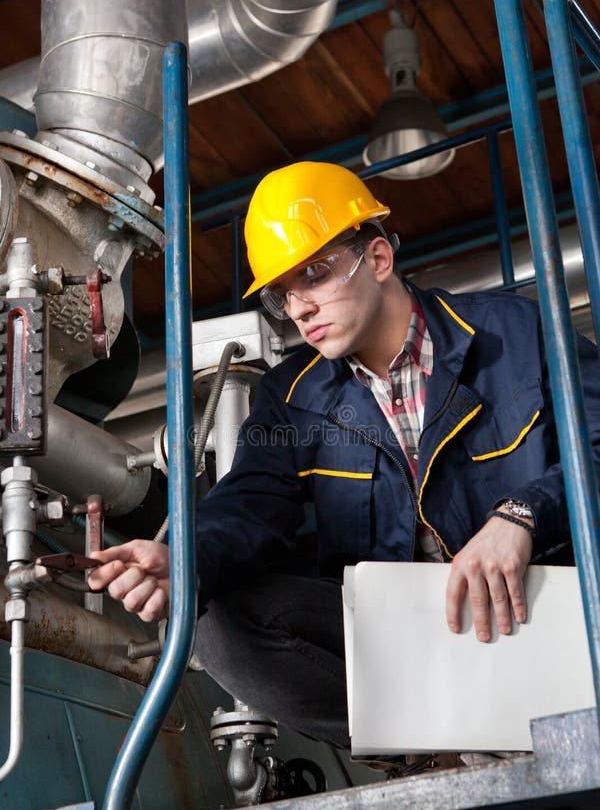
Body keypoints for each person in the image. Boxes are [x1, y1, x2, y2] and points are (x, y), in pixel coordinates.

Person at [90, 161, 600, 751]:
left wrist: (521, 517)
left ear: (378, 259)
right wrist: (184, 560)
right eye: (283, 295)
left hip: (542, 616)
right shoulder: (292, 397)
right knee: (217, 622)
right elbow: (248, 507)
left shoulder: (517, 334)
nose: (300, 307)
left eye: (315, 274)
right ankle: (427, 762)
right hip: (407, 654)